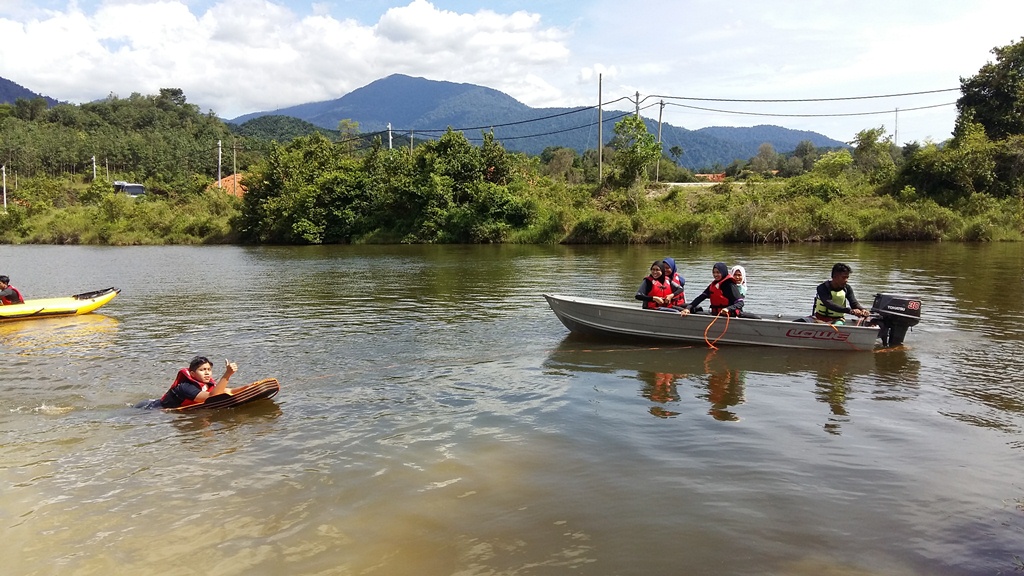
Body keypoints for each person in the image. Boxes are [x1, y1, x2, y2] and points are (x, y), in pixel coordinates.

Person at [135, 356, 238, 409]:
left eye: (209, 370)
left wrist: (250, 386)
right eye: (202, 370)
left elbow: (229, 390)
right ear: (192, 374)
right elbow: (212, 396)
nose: (207, 373)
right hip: (150, 408)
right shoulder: (186, 387)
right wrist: (228, 374)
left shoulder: (206, 384)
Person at [680, 262, 745, 317]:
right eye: (714, 272)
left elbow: (740, 303)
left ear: (723, 272)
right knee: (694, 311)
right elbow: (701, 297)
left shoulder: (730, 285)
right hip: (716, 314)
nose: (715, 275)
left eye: (718, 272)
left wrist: (728, 309)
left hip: (728, 315)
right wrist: (688, 308)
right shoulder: (713, 285)